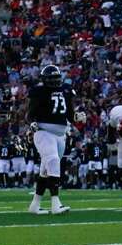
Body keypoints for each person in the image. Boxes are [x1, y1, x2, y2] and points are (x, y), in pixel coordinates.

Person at [27, 65, 80, 214]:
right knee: (53, 161)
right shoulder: (38, 91)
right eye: (51, 78)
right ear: (44, 80)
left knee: (45, 170)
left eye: (56, 78)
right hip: (44, 131)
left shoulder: (67, 90)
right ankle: (56, 204)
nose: (54, 81)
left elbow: (70, 114)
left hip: (61, 134)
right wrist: (31, 122)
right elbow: (29, 113)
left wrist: (76, 118)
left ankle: (35, 205)